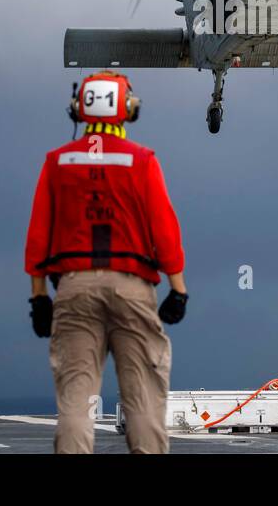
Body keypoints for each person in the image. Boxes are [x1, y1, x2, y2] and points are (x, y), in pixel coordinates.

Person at [24, 71, 187, 454]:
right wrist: (178, 288)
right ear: (128, 109)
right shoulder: (143, 161)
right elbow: (164, 229)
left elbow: (38, 234)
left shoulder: (57, 161)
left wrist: (37, 297)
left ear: (78, 109)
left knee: (75, 400)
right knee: (143, 397)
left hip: (74, 287)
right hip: (132, 286)